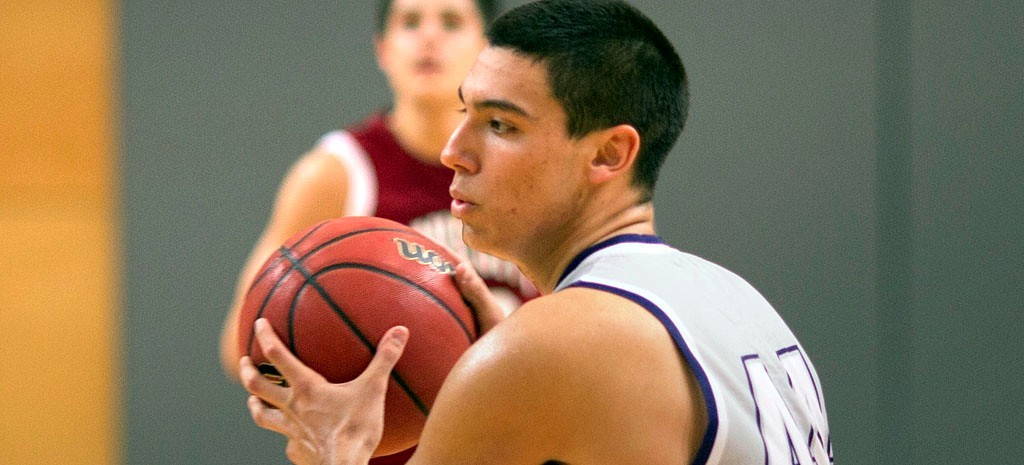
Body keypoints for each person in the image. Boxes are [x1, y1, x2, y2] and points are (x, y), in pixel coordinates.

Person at [239, 1, 834, 464]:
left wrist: (336, 453)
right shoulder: (737, 299)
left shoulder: (541, 352)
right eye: (464, 112)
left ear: (609, 153)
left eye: (499, 124)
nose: (454, 151)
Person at [220, 0, 536, 382]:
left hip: (513, 430)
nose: (429, 37)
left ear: (488, 50)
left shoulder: (529, 167)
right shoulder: (336, 173)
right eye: (410, 22)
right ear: (382, 49)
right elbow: (245, 344)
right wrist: (319, 389)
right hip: (387, 441)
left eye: (451, 22)